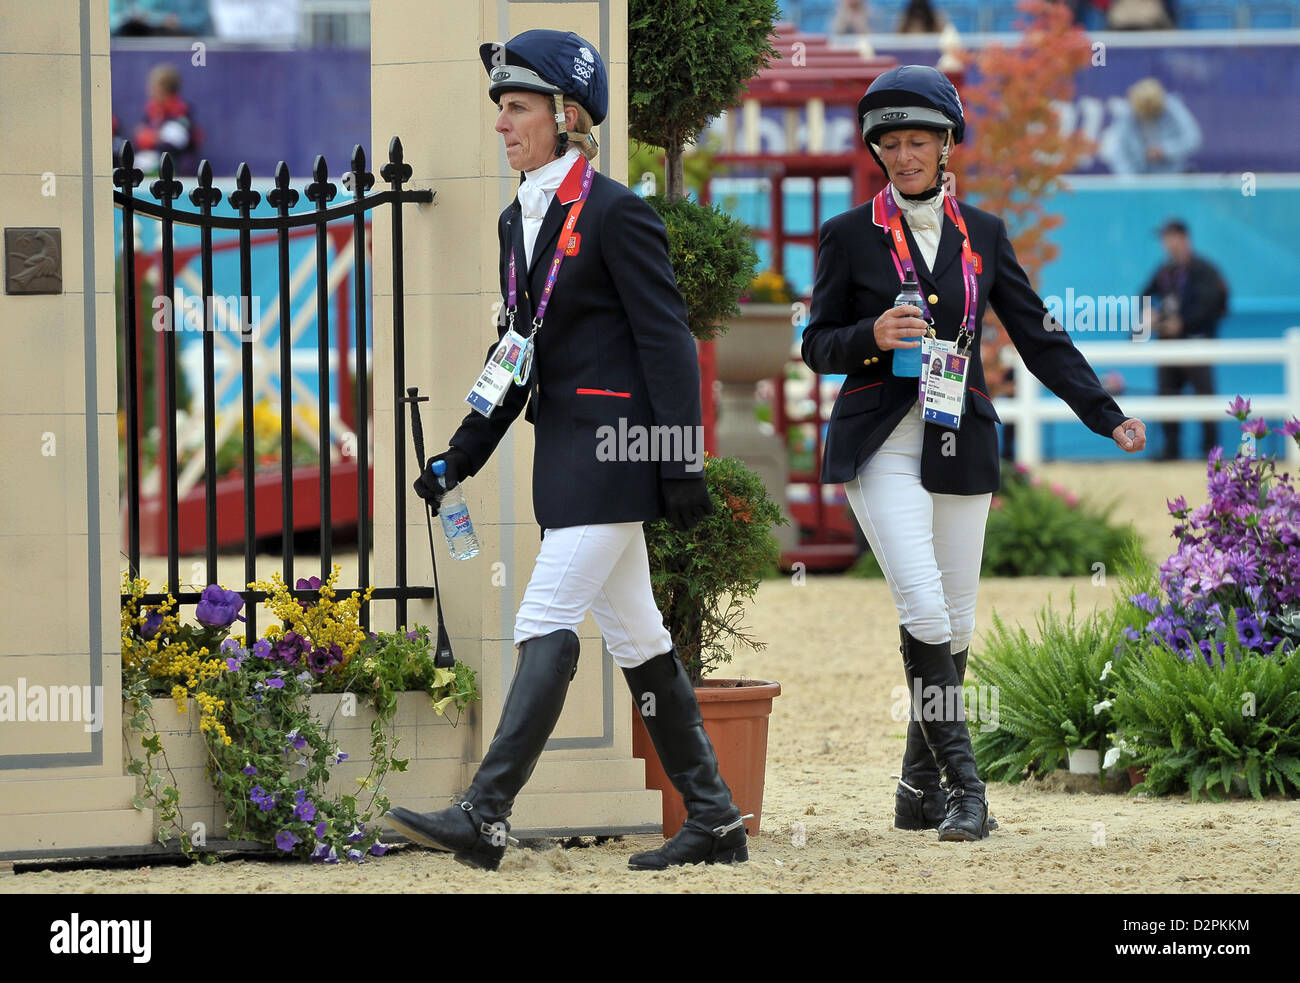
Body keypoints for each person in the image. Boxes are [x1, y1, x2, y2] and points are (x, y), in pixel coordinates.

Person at [385, 30, 748, 873]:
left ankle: (486, 812)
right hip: (571, 457)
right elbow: (518, 349)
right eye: (500, 108)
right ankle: (716, 817)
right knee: (640, 639)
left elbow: (667, 344)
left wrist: (681, 460)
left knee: (544, 617)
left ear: (568, 115)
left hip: (617, 455)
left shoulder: (619, 212)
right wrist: (460, 456)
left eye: (517, 107)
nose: (502, 123)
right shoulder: (520, 218)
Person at [801, 65, 1147, 841]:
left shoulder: (983, 234)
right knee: (921, 602)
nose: (903, 154)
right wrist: (870, 336)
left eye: (918, 139)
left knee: (955, 624)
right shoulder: (847, 235)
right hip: (878, 438)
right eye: (889, 142)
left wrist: (1104, 412)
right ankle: (968, 789)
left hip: (959, 431)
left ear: (948, 143)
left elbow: (1037, 334)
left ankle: (914, 788)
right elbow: (815, 343)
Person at [1142, 218, 1229, 460]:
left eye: (1171, 237)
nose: (1167, 244)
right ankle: (1171, 451)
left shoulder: (1204, 270)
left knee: (1205, 397)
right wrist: (1151, 314)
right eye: (1164, 239)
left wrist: (1182, 323)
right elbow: (1143, 294)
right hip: (1168, 345)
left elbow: (1214, 305)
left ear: (1183, 239)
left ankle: (1210, 453)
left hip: (1196, 343)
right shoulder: (1164, 271)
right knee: (1167, 395)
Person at [1100, 77, 1201, 176]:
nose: (1148, 114)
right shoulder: (1126, 118)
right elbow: (1120, 155)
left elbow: (1192, 139)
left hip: (1173, 178)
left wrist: (1165, 151)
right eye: (1144, 111)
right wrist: (1131, 184)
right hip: (1138, 182)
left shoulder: (1173, 109)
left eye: (1152, 111)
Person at [130, 64, 201, 175]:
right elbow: (139, 137)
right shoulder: (152, 110)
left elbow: (173, 144)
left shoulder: (181, 111)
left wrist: (152, 137)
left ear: (164, 88)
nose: (149, 90)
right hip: (149, 165)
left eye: (153, 86)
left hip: (176, 172)